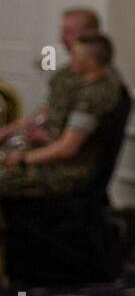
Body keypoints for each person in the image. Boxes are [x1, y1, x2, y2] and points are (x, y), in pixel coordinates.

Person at [0, 33, 123, 198]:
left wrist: (21, 159)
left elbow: (67, 148)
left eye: (75, 56)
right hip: (47, 157)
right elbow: (48, 115)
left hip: (65, 170)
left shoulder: (94, 95)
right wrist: (19, 129)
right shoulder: (74, 83)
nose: (70, 60)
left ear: (91, 62)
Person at [0, 7, 102, 147]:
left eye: (68, 32)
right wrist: (9, 130)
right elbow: (46, 111)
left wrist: (24, 157)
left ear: (89, 35)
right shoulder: (65, 74)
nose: (62, 38)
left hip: (61, 160)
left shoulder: (97, 80)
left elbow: (71, 146)